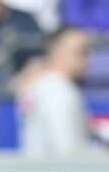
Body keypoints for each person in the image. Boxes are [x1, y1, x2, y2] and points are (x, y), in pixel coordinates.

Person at [18, 27, 93, 157]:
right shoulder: (58, 91)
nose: (88, 59)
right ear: (56, 52)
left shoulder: (40, 84)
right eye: (81, 52)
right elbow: (66, 149)